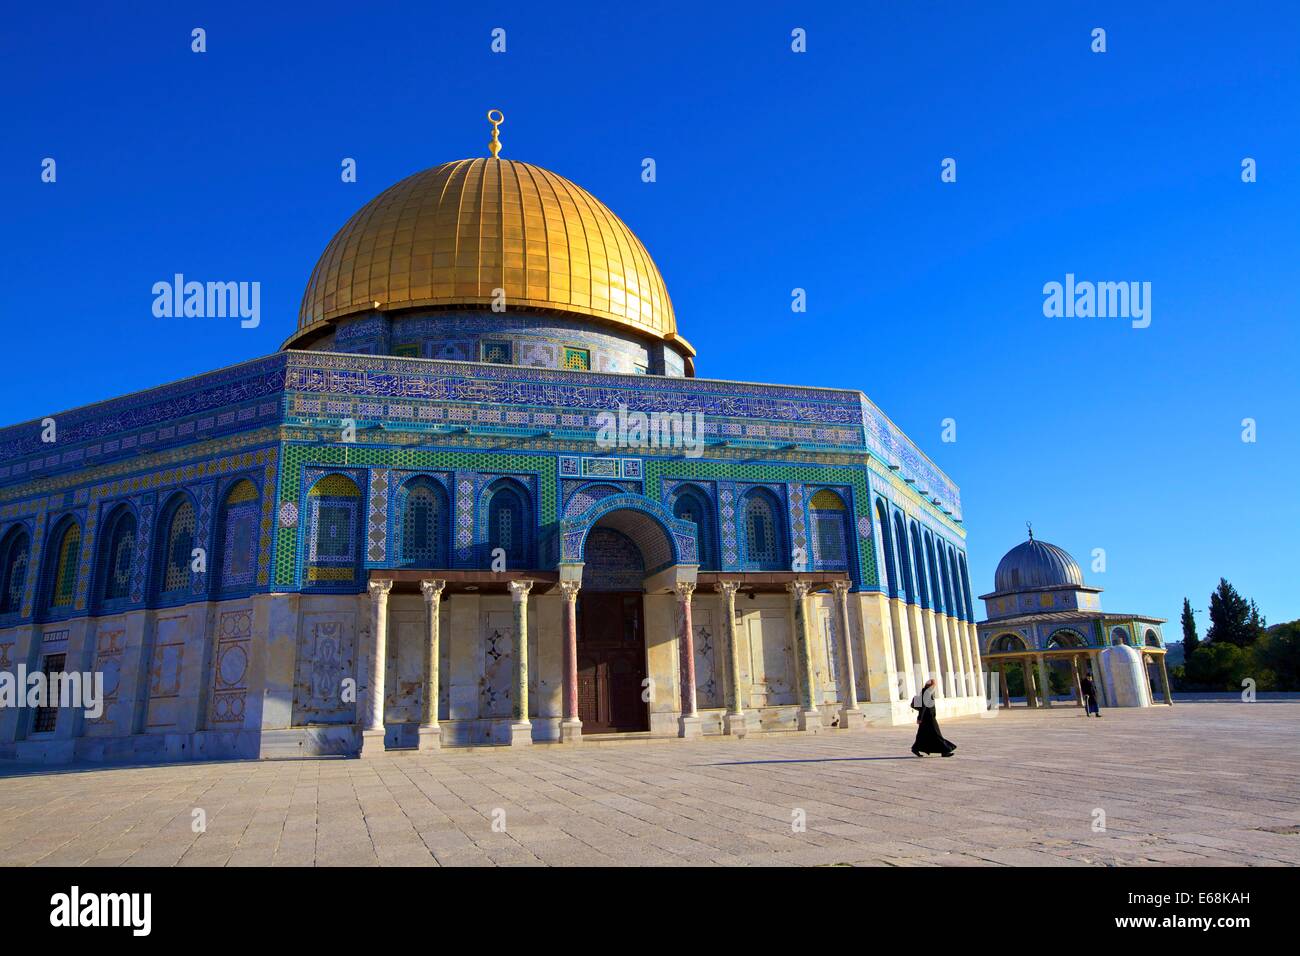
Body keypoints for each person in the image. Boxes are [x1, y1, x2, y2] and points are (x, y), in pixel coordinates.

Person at [910, 678, 956, 757]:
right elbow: (923, 706)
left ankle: (915, 748)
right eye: (934, 685)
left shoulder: (924, 691)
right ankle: (945, 751)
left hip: (926, 718)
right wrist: (919, 718)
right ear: (931, 686)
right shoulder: (927, 692)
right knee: (936, 734)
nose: (934, 687)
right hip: (928, 718)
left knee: (923, 734)